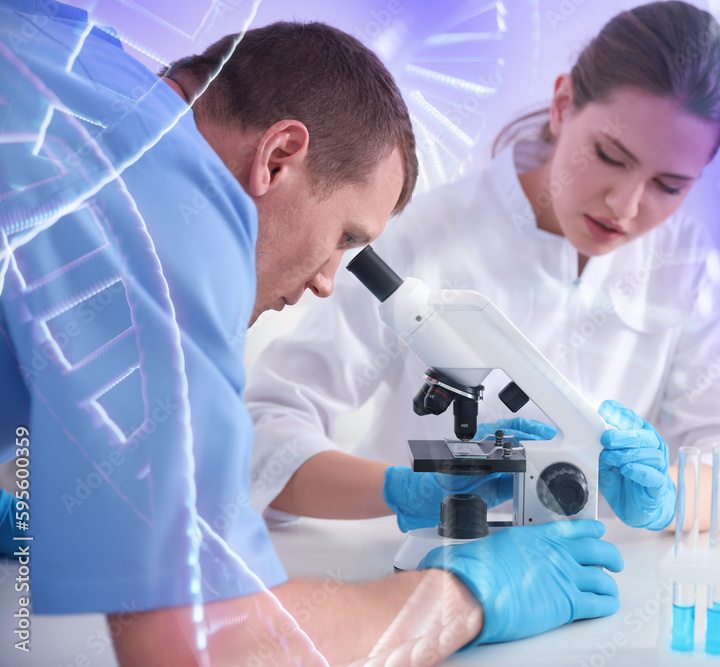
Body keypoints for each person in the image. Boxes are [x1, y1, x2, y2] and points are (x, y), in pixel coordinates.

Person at [0, 2, 623, 665]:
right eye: (345, 238)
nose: (328, 280)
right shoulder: (173, 219)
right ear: (279, 156)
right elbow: (202, 649)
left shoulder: (78, 63)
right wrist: (462, 595)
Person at [246, 0, 720, 537]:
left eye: (669, 186)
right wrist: (410, 488)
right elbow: (266, 433)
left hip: (598, 588)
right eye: (610, 155)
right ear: (563, 105)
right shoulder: (429, 232)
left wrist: (671, 500)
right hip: (426, 577)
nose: (626, 206)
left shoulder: (684, 259)